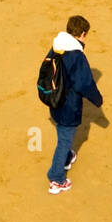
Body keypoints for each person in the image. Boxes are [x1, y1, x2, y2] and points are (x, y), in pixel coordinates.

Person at [43, 15, 102, 195]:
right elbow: (84, 83)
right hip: (69, 106)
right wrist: (98, 100)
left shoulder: (57, 46)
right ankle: (56, 178)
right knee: (64, 140)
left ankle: (67, 157)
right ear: (82, 34)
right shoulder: (76, 56)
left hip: (55, 101)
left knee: (63, 134)